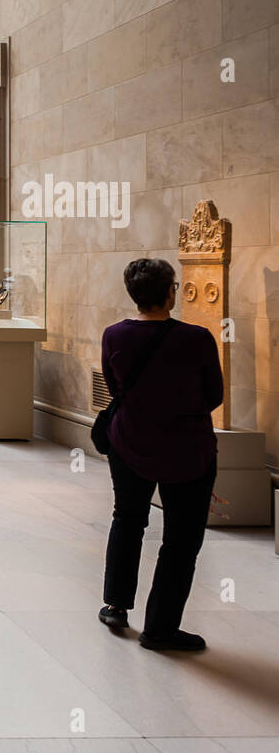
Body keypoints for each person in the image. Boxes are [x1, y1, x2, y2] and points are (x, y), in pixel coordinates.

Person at [99, 258, 222, 652]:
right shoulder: (197, 338)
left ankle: (116, 604)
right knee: (181, 539)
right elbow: (213, 395)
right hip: (186, 447)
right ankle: (161, 628)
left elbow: (116, 385)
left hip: (130, 441)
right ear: (170, 292)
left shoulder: (114, 335)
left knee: (129, 518)